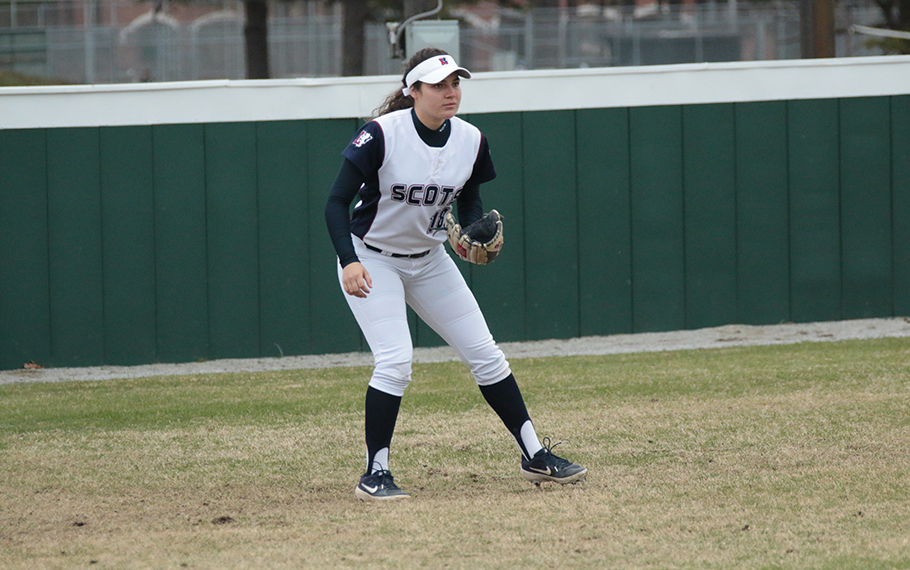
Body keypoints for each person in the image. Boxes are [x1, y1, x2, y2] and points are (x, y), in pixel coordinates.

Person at [324, 47, 587, 501]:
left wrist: (473, 227)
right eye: (439, 86)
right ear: (413, 91)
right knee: (395, 362)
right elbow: (335, 204)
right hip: (373, 258)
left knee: (486, 355)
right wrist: (349, 261)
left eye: (456, 84)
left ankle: (535, 454)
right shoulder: (382, 135)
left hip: (429, 260)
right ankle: (375, 473)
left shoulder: (470, 139)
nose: (451, 93)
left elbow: (467, 198)